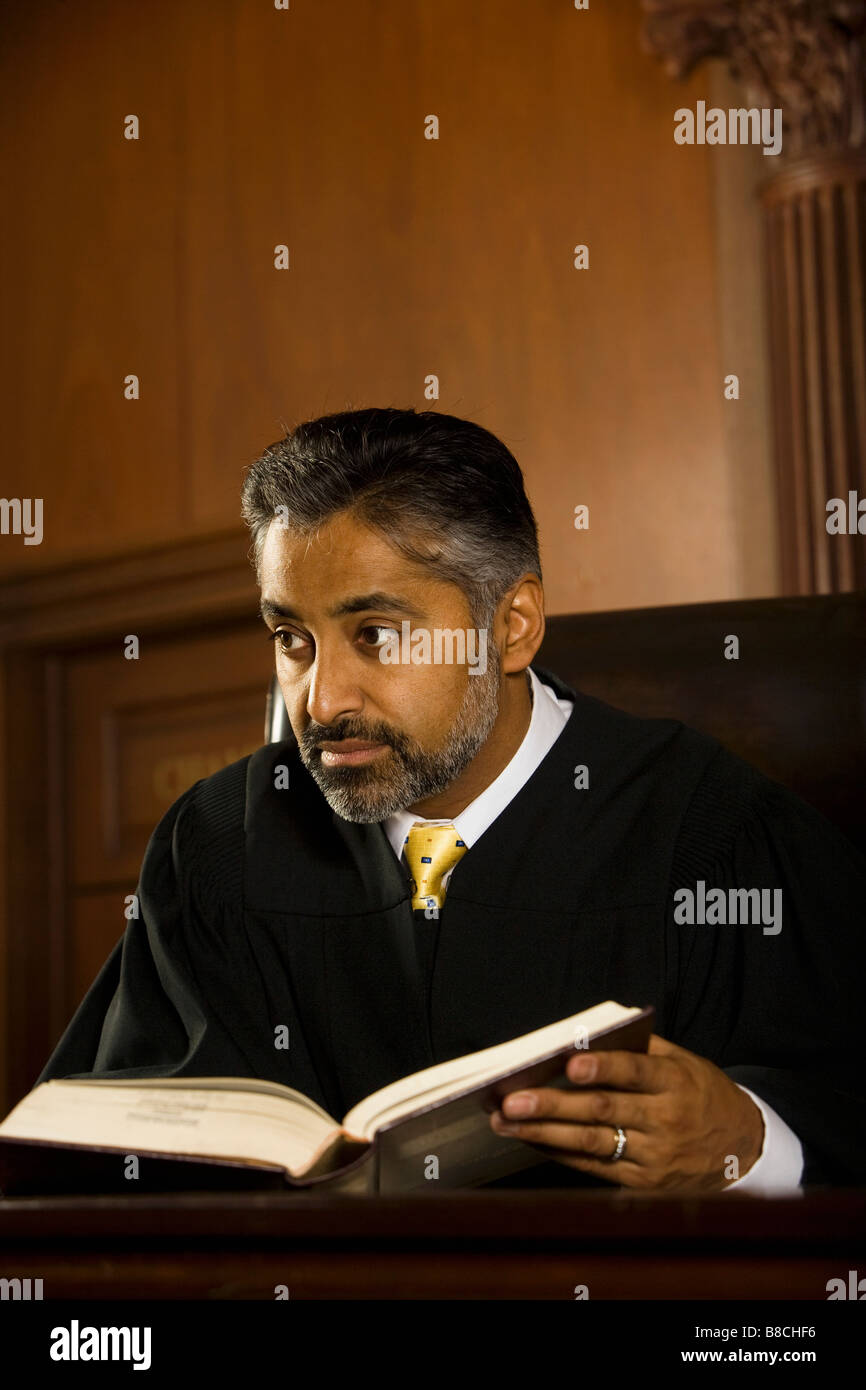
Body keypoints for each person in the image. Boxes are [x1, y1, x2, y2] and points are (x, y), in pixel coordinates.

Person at [38, 407, 865, 1191]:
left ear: (513, 626)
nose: (321, 702)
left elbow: (841, 1109)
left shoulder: (714, 835)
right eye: (292, 639)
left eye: (378, 635)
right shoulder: (220, 845)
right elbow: (102, 1160)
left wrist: (752, 1142)